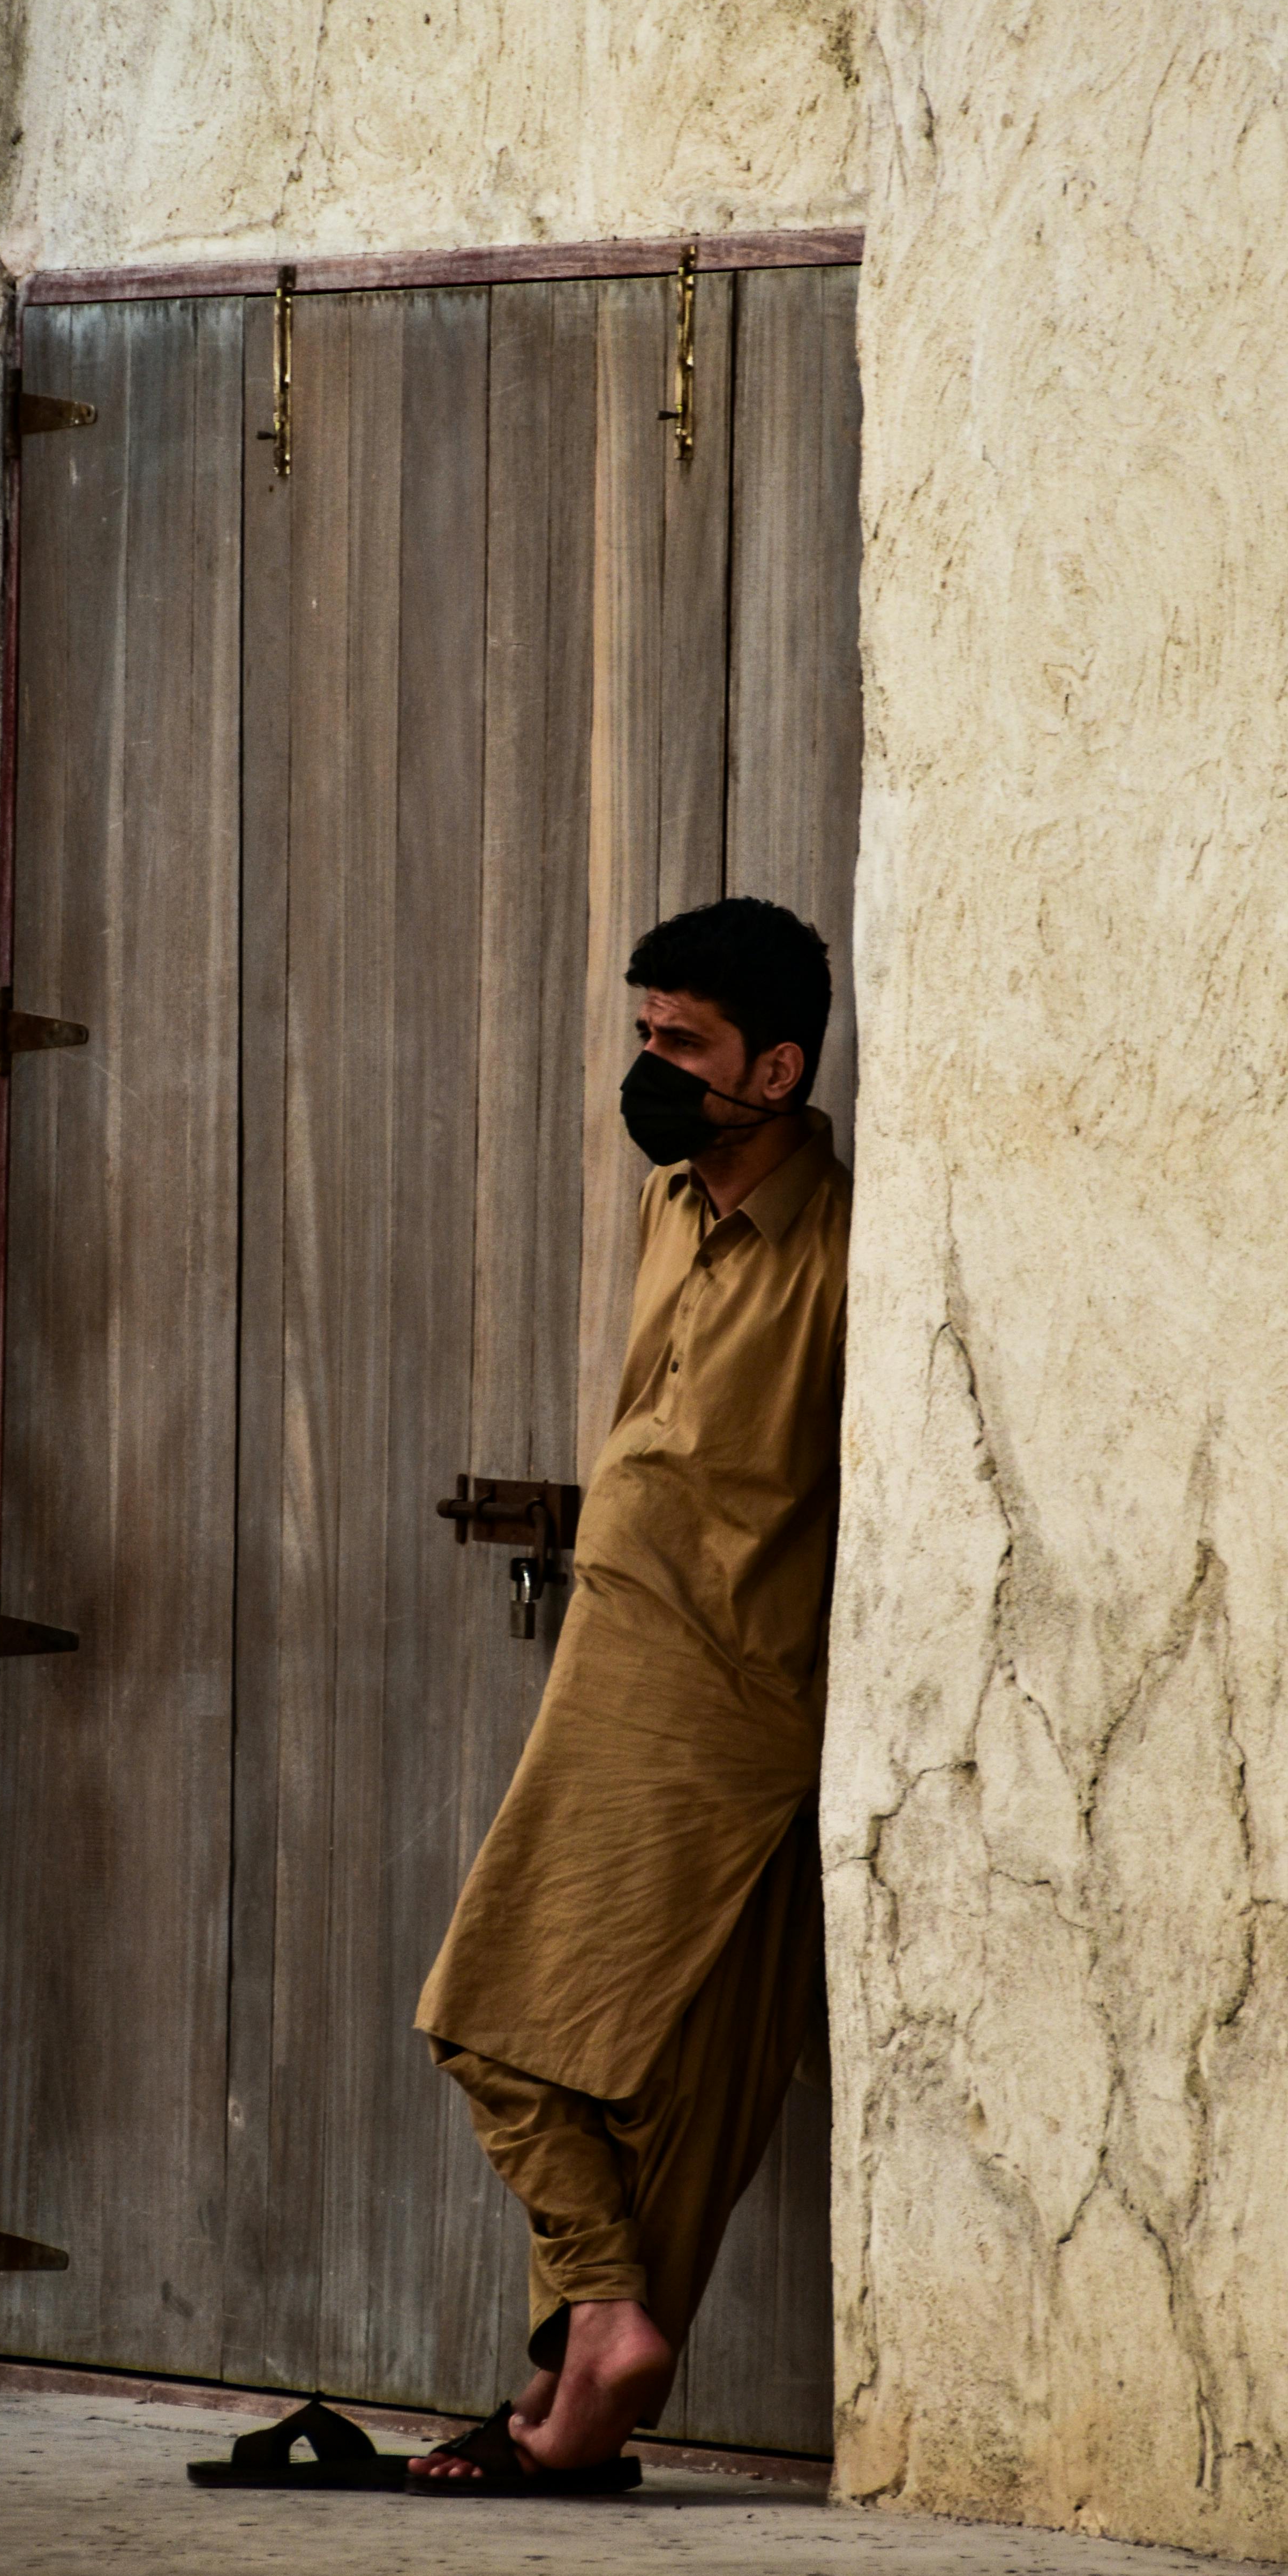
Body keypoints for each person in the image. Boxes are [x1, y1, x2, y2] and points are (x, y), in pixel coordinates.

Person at [409, 895, 850, 2489]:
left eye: (685, 1044)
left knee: (489, 2018)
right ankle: (585, 2389)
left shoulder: (849, 1254)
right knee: (632, 2073)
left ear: (779, 1067)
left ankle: (600, 2319)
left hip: (722, 1698)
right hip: (615, 1649)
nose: (650, 1066)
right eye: (645, 1035)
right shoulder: (674, 1198)